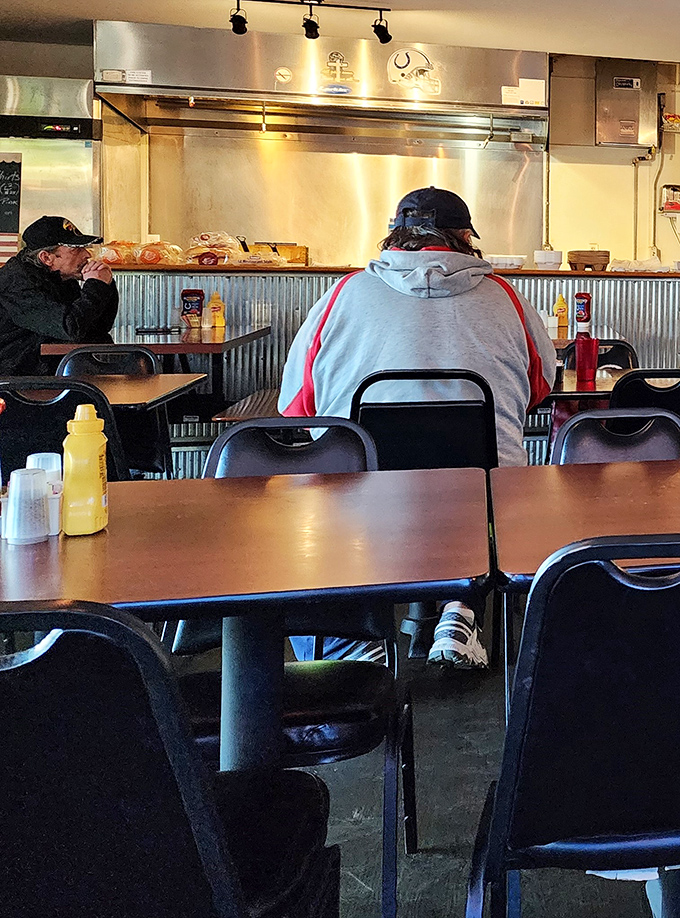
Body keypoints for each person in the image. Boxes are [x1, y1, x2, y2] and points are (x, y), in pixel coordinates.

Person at [278, 186, 555, 667]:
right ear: (466, 238)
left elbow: (300, 406)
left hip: (365, 504)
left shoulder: (343, 294)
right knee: (479, 489)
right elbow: (538, 387)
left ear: (393, 236)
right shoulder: (506, 298)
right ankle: (459, 610)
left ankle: (348, 639)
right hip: (486, 499)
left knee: (322, 488)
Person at [0, 215, 118, 375]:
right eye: (76, 249)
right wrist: (96, 285)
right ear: (46, 258)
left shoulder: (61, 277)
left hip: (54, 372)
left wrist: (106, 285)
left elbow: (98, 327)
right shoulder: (18, 282)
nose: (87, 254)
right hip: (19, 382)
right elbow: (70, 328)